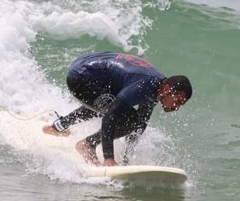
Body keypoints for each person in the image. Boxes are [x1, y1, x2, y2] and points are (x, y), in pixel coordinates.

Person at [42, 52, 192, 167]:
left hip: (90, 67)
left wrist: (127, 161)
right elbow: (110, 115)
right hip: (81, 77)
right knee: (115, 109)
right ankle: (87, 145)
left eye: (181, 104)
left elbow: (139, 127)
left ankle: (59, 126)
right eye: (177, 100)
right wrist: (109, 158)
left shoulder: (155, 89)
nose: (177, 107)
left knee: (110, 104)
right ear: (166, 88)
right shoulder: (145, 85)